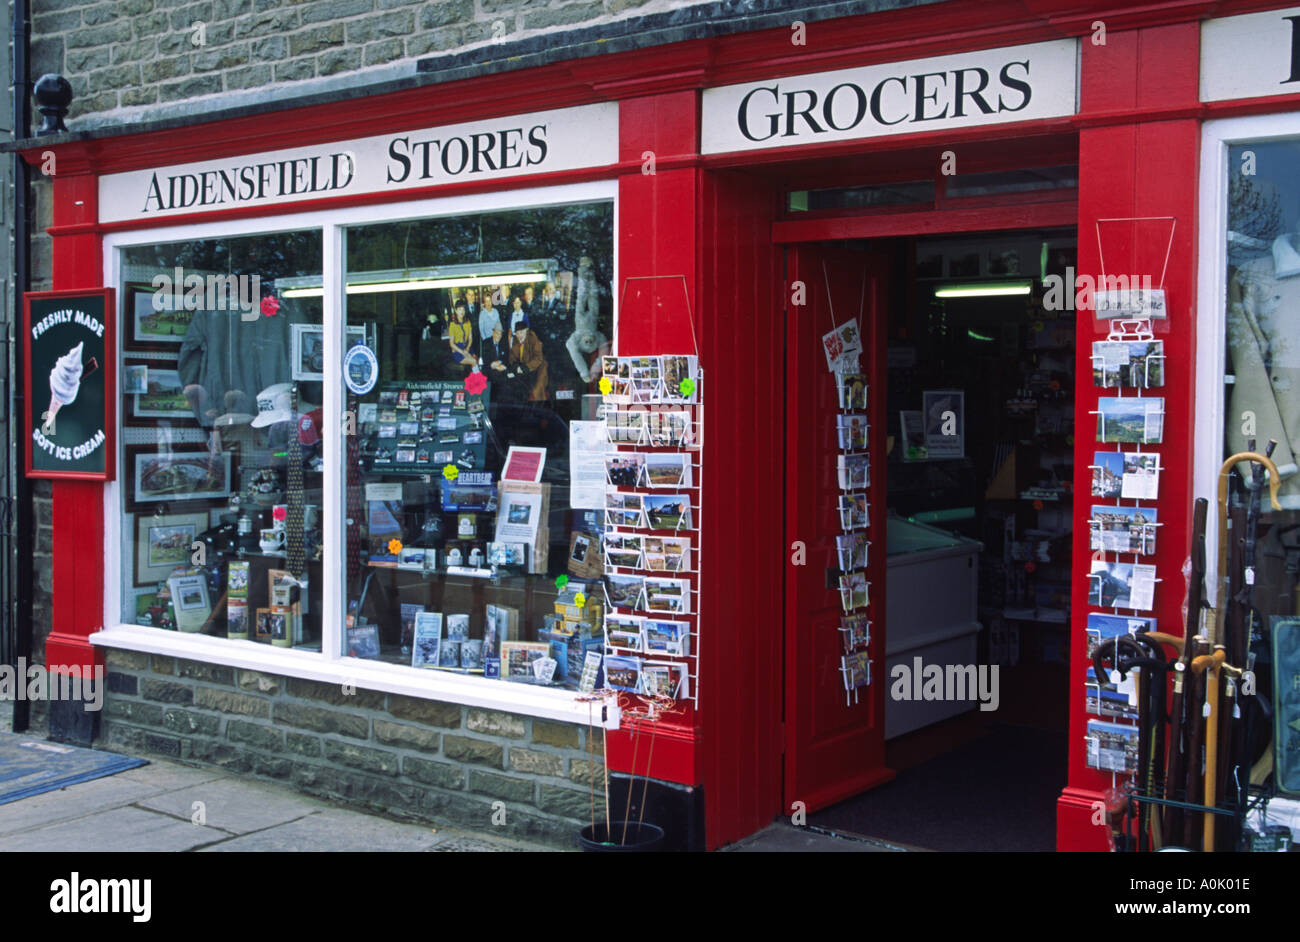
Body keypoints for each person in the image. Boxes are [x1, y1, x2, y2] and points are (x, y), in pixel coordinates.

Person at [507, 317, 549, 401]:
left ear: (526, 331)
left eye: (522, 332)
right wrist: (515, 367)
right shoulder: (516, 339)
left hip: (538, 368)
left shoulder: (532, 338)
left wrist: (524, 368)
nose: (519, 335)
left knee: (537, 391)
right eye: (517, 333)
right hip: (524, 369)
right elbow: (512, 357)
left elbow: (538, 358)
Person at [447, 299, 476, 371]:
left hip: (467, 347)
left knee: (476, 359)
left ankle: (473, 379)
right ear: (456, 310)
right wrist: (463, 352)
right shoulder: (452, 325)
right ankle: (477, 381)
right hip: (458, 350)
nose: (462, 311)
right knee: (473, 361)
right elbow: (451, 344)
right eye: (460, 309)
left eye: (463, 309)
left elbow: (470, 338)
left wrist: (467, 349)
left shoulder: (468, 322)